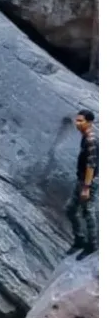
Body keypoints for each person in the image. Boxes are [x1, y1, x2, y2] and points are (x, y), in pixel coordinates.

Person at [66, 109, 98, 257]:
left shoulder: (91, 140)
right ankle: (79, 239)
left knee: (88, 212)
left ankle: (93, 245)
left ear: (89, 122)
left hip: (89, 182)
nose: (77, 123)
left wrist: (86, 188)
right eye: (77, 120)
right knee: (70, 209)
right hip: (81, 180)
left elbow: (91, 165)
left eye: (81, 121)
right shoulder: (85, 137)